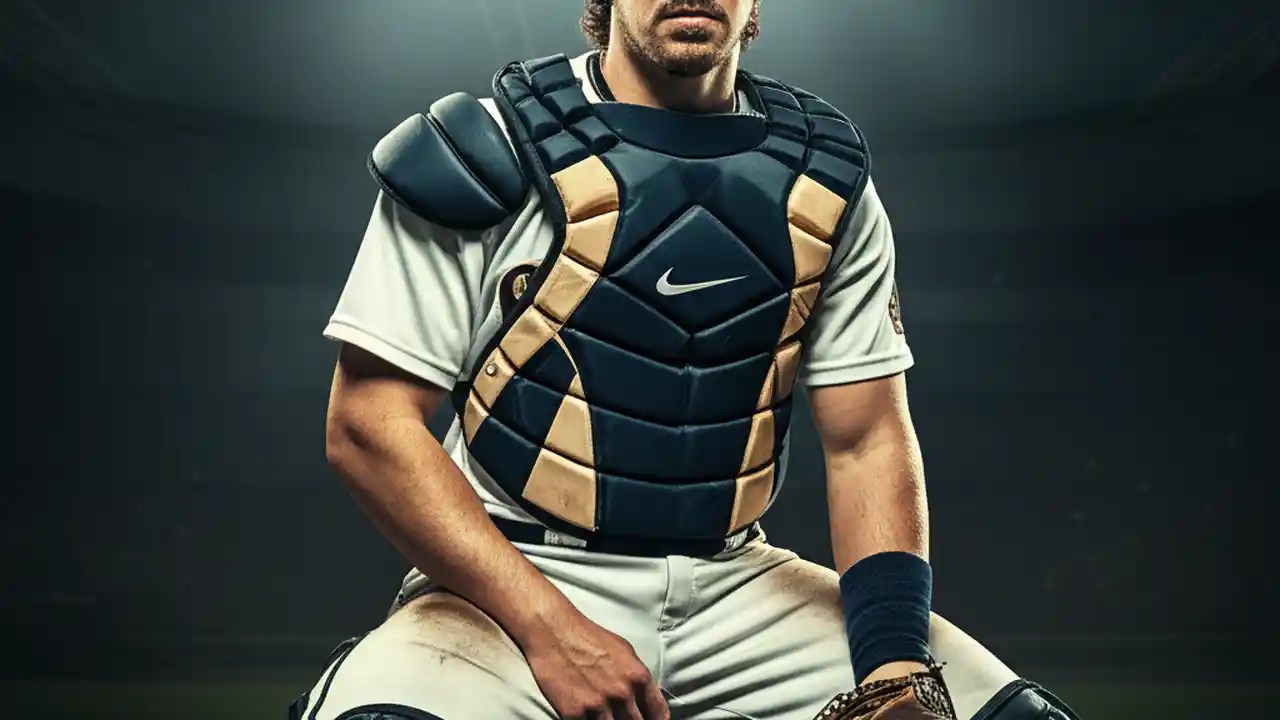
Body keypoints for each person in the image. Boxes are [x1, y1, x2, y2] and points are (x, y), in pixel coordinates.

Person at [291, 1, 1079, 718]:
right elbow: (368, 425)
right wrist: (551, 630)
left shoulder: (826, 180)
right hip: (511, 583)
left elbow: (867, 438)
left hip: (739, 583)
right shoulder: (484, 151)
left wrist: (894, 664)